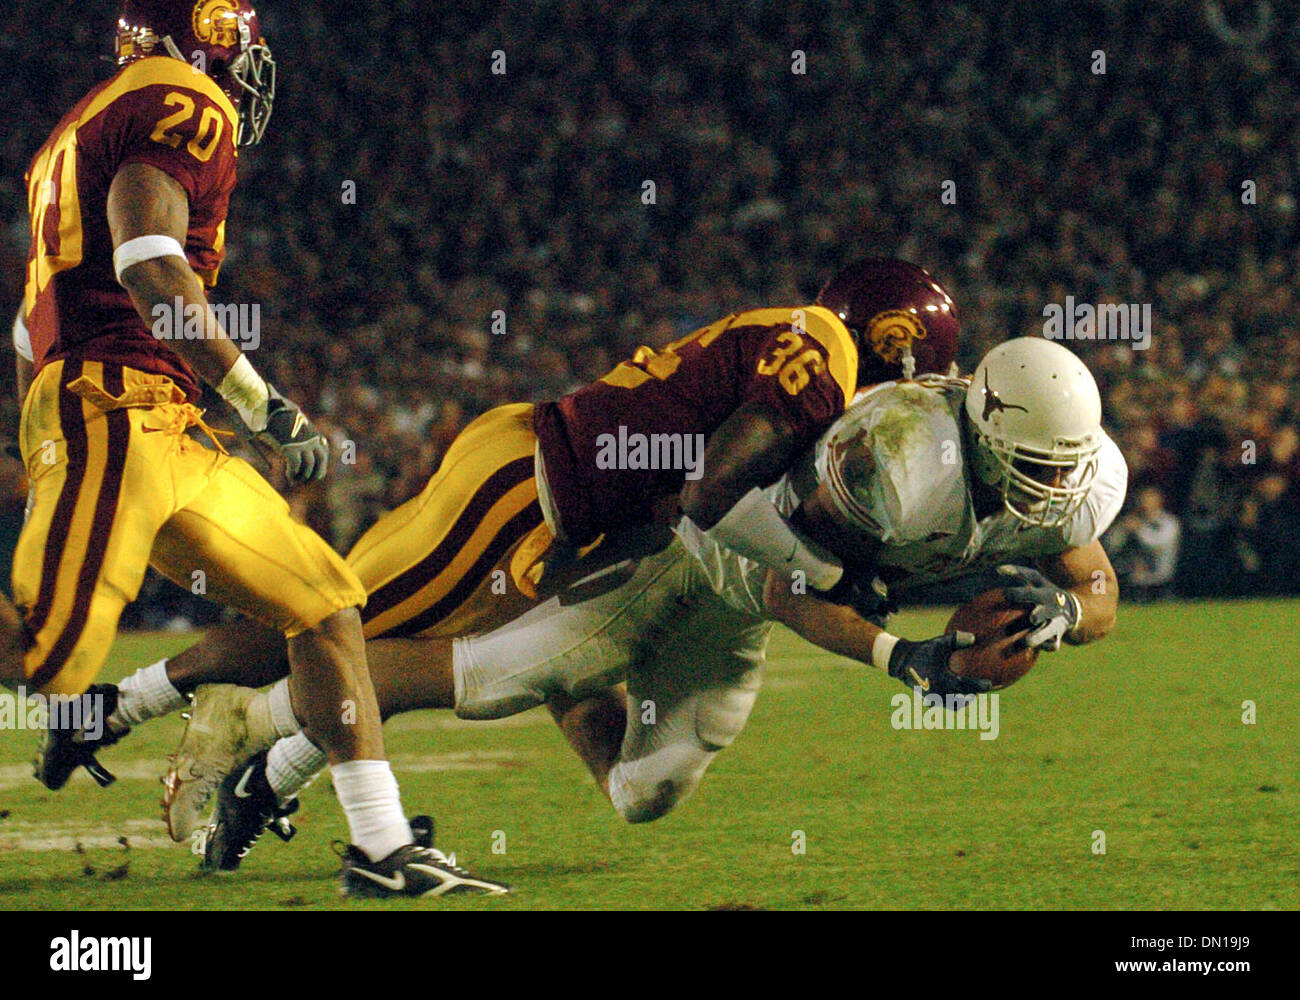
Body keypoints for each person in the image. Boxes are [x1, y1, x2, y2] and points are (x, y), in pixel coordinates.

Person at [183, 337, 1125, 869]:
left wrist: (1068, 614)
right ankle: (254, 722)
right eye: (1033, 467)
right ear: (982, 429)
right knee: (487, 674)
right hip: (700, 560)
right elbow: (782, 581)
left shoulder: (1066, 480)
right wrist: (904, 658)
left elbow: (1096, 581)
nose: (1049, 492)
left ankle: (552, 684)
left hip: (748, 612)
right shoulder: (898, 461)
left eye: (1062, 472)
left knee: (643, 795)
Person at [3, 0, 504, 897]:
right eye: (238, 38)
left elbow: (23, 333)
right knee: (42, 653)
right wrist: (263, 405)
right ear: (203, 33)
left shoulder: (80, 127)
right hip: (113, 408)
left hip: (147, 414)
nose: (248, 61)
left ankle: (382, 850)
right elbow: (151, 262)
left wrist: (43, 438)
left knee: (324, 605)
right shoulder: (182, 95)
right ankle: (78, 699)